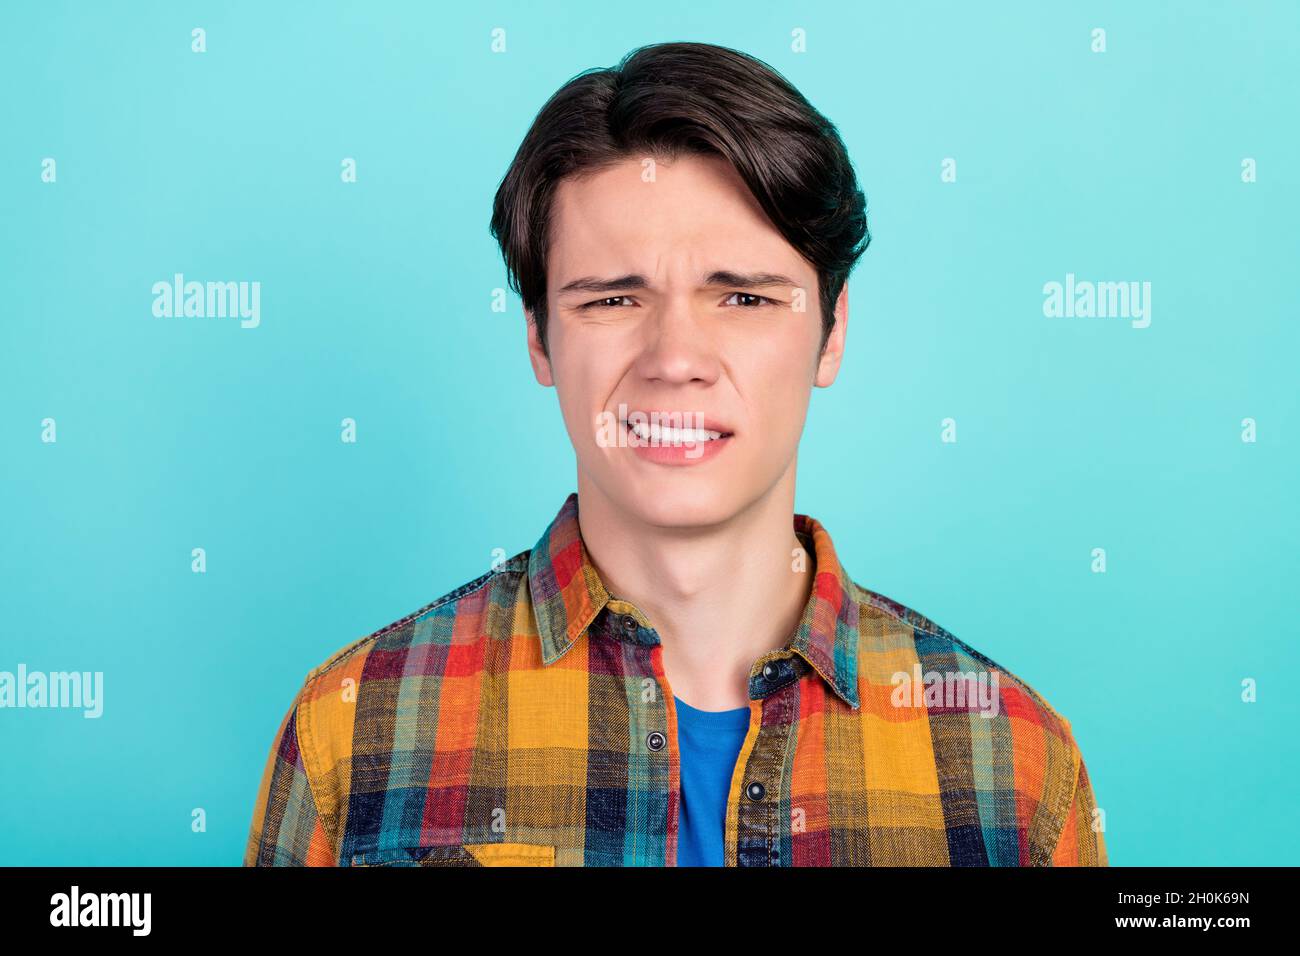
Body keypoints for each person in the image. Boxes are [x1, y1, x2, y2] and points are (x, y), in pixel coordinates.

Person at [244, 41, 1106, 867]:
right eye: (614, 298)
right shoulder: (353, 731)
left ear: (832, 333)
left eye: (742, 296)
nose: (675, 358)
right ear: (540, 341)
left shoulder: (1013, 765)